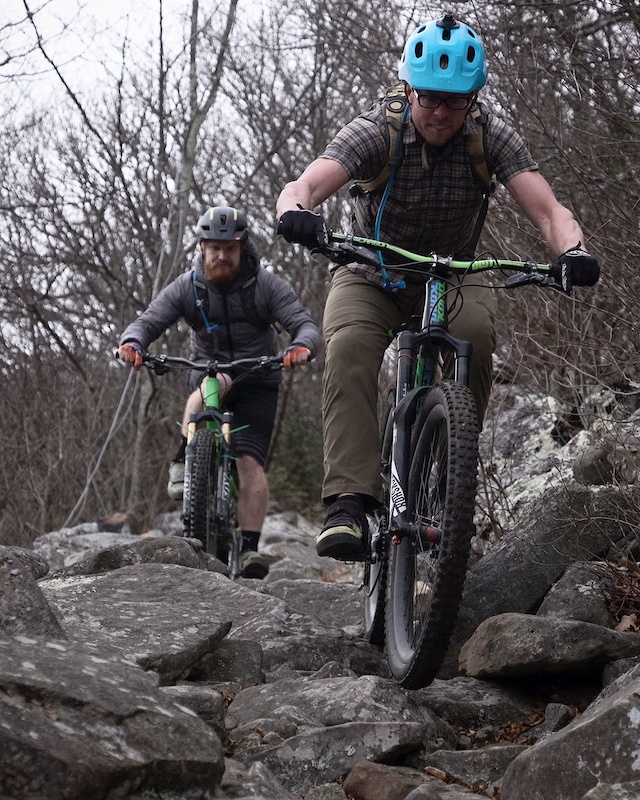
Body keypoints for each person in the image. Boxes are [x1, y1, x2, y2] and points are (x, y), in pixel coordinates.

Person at [276, 15, 600, 563]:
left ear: (473, 99)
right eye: (430, 98)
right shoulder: (376, 129)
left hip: (453, 271)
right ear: (409, 90)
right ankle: (348, 504)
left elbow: (549, 211)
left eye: (455, 101)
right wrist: (296, 212)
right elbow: (304, 184)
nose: (442, 113)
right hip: (371, 269)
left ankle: (454, 482)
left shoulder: (490, 136)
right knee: (350, 347)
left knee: (475, 336)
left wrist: (573, 251)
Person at [119, 205, 321, 579]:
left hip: (257, 380)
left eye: (230, 249)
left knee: (249, 464)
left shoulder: (265, 285)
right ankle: (187, 459)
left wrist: (300, 347)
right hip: (207, 372)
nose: (222, 256)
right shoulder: (188, 286)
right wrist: (133, 343)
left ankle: (249, 548)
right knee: (210, 386)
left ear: (243, 249)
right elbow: (148, 321)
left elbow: (303, 324)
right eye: (214, 248)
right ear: (202, 248)